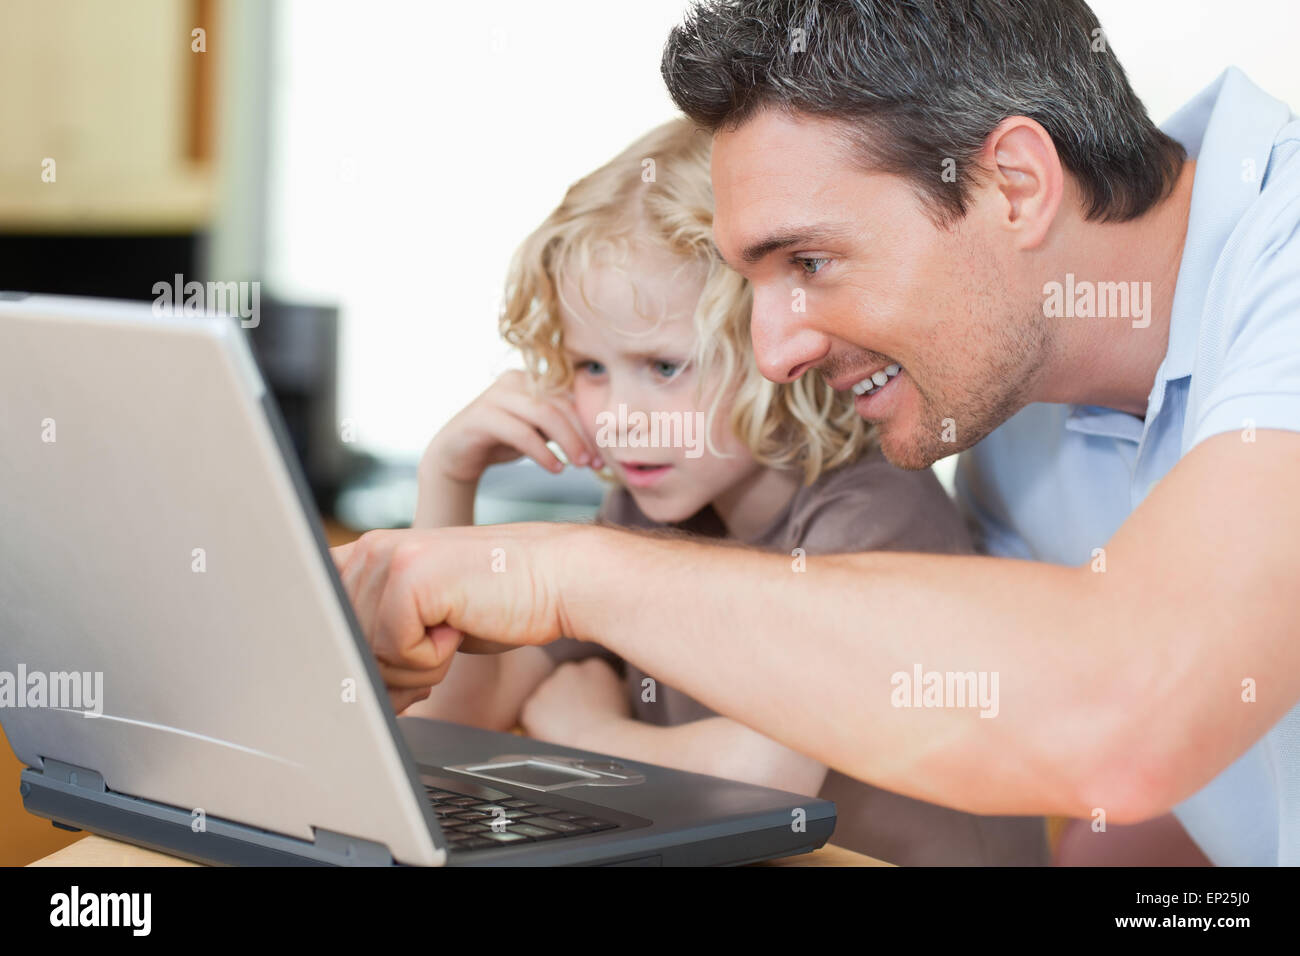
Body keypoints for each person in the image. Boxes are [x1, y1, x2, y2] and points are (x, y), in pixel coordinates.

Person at [332, 0, 1300, 866]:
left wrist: (562, 574)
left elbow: (1126, 708)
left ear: (1014, 183)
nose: (772, 351)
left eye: (809, 260)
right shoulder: (1016, 412)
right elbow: (1089, 740)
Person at [403, 117, 1046, 865]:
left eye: (665, 367)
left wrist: (585, 732)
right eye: (591, 368)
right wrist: (448, 478)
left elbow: (766, 778)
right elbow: (447, 721)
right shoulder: (649, 505)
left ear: (771, 341)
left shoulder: (873, 513)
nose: (619, 418)